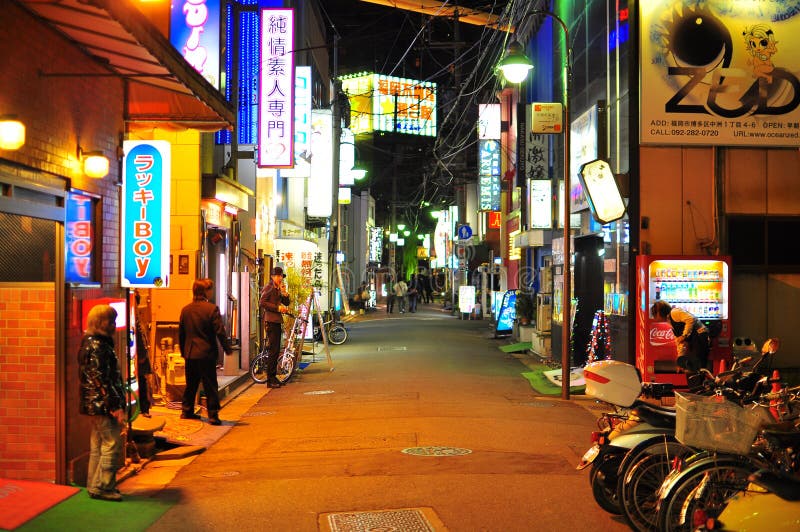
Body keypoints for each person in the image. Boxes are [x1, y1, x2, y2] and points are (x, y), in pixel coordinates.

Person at [78, 304, 127, 502]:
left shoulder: (89, 343)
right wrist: (115, 406)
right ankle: (104, 486)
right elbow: (102, 379)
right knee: (111, 443)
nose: (114, 325)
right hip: (103, 404)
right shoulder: (99, 346)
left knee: (98, 444)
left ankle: (94, 485)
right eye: (111, 321)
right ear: (102, 323)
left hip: (93, 404)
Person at [179, 278, 233, 424]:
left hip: (190, 353)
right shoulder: (211, 309)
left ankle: (187, 411)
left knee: (191, 384)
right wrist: (227, 348)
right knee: (210, 384)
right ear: (205, 291)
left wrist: (184, 352)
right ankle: (213, 415)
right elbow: (220, 331)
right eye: (210, 289)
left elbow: (182, 334)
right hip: (206, 353)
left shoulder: (186, 310)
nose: (212, 292)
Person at [650, 300, 710, 379]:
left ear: (660, 312)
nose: (654, 317)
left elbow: (690, 319)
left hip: (700, 335)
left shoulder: (674, 312)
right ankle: (698, 387)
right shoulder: (670, 322)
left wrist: (684, 335)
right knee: (693, 367)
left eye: (654, 314)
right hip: (695, 339)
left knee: (697, 367)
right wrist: (680, 360)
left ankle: (702, 387)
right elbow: (680, 343)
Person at [259, 266, 291, 388]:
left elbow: (287, 303)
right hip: (271, 322)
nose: (280, 278)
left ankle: (273, 377)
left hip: (277, 321)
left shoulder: (278, 288)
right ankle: (270, 380)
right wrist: (277, 308)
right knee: (273, 350)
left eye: (281, 276)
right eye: (277, 276)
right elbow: (262, 302)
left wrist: (284, 293)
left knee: (276, 350)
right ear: (272, 277)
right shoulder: (269, 287)